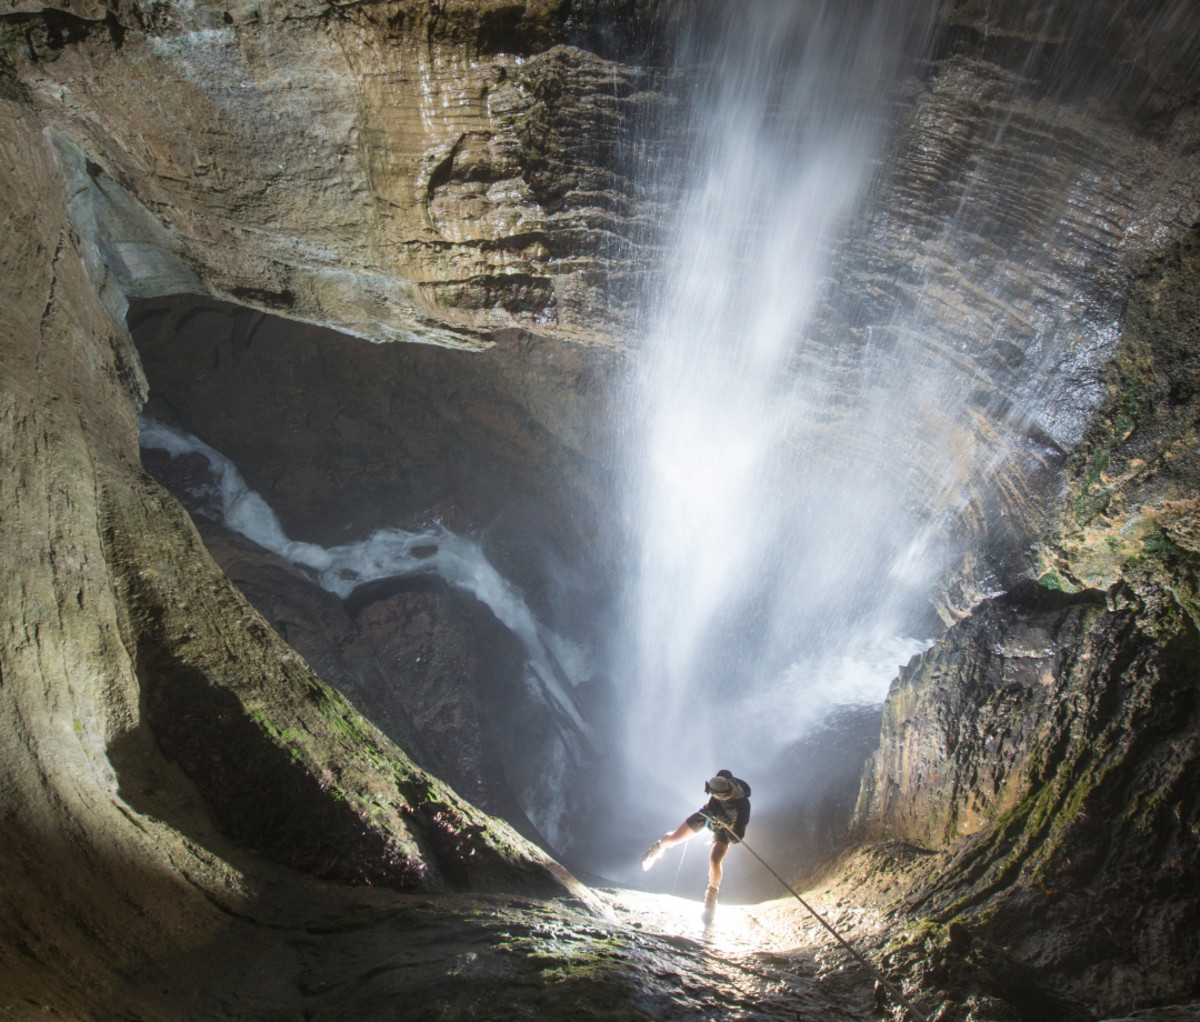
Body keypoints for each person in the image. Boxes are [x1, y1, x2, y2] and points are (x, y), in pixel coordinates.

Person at [641, 769, 751, 924]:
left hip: (725, 829)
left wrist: (726, 825)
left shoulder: (743, 805)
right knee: (674, 838)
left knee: (715, 860)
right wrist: (714, 818)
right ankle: (658, 847)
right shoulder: (722, 780)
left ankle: (711, 894)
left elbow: (738, 835)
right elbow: (721, 778)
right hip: (708, 814)